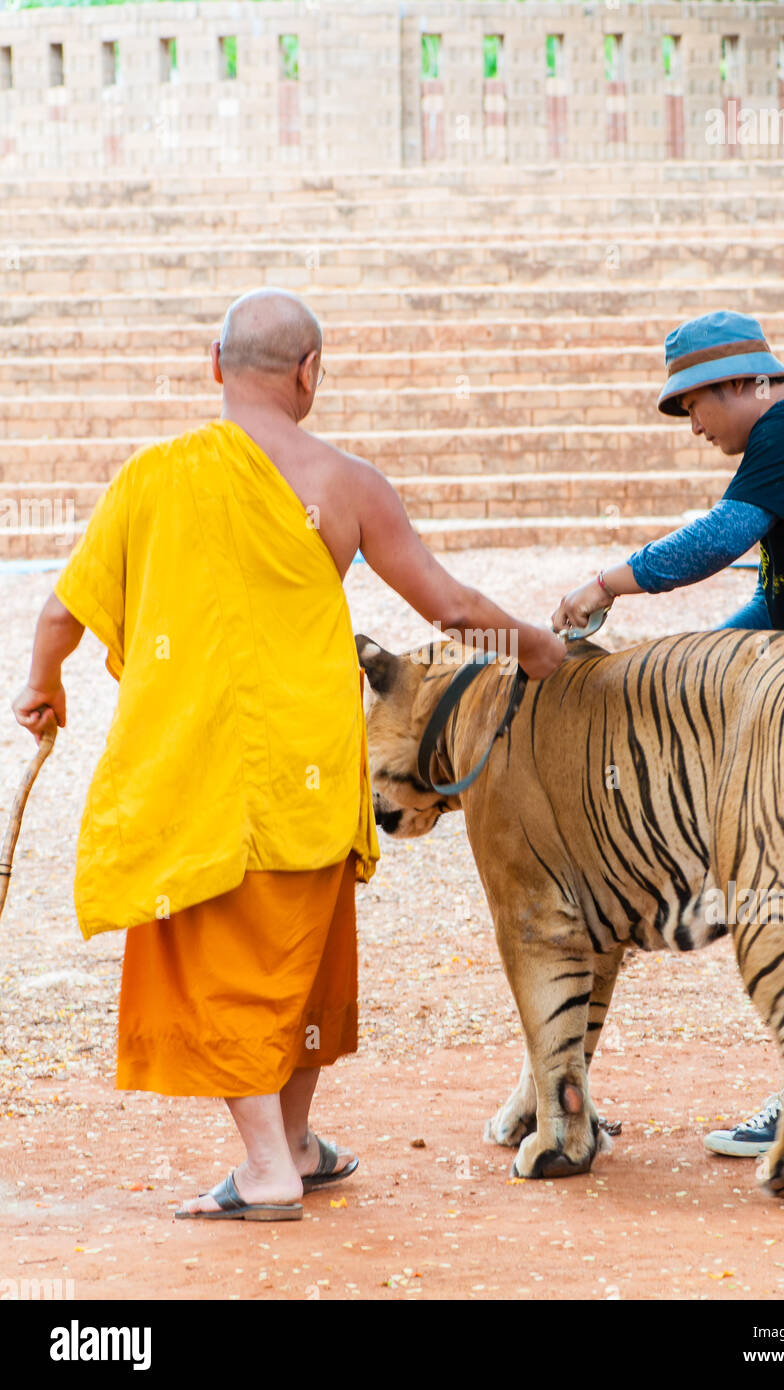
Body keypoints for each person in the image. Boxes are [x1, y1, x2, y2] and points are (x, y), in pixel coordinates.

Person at [13, 288, 565, 1220]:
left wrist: (44, 685)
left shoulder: (154, 476)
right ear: (310, 372)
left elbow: (63, 608)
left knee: (226, 965)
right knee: (299, 961)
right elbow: (454, 611)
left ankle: (267, 1168)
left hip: (194, 774)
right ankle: (297, 1146)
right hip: (308, 769)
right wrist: (541, 651)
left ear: (213, 363)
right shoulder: (348, 486)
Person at [552, 308, 784, 1154]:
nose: (694, 429)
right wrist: (672, 669)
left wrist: (604, 584)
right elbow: (777, 603)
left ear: (735, 385)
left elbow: (719, 540)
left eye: (693, 408)